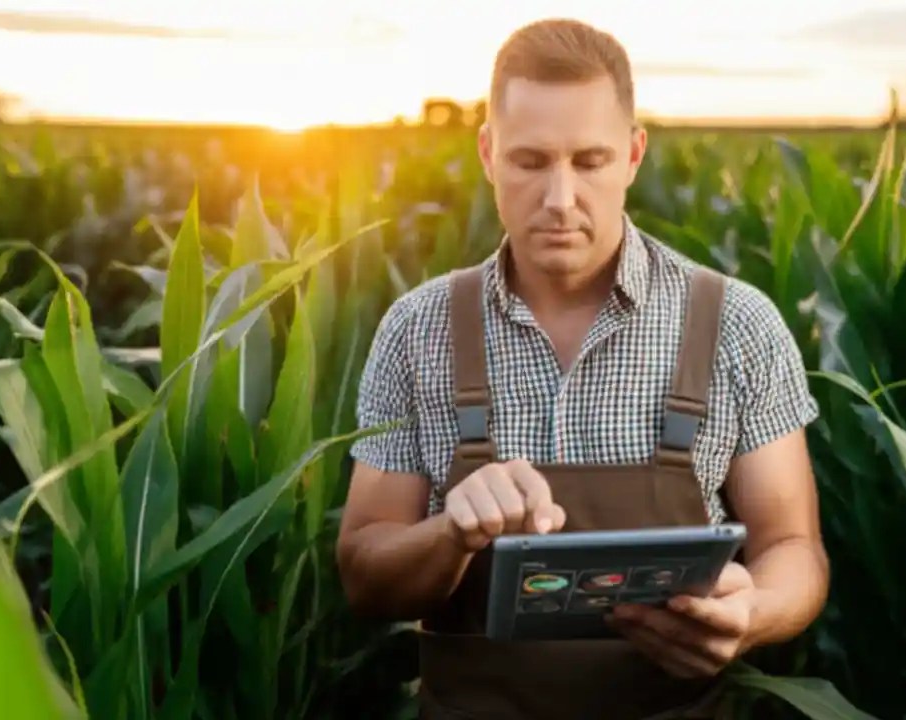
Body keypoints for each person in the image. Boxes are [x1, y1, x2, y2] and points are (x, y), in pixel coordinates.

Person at [335, 17, 829, 720]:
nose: (560, 199)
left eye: (590, 161)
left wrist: (755, 612)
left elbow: (792, 546)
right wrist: (451, 535)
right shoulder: (418, 331)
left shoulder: (738, 326)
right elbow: (364, 575)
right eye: (530, 161)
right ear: (488, 153)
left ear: (632, 156)